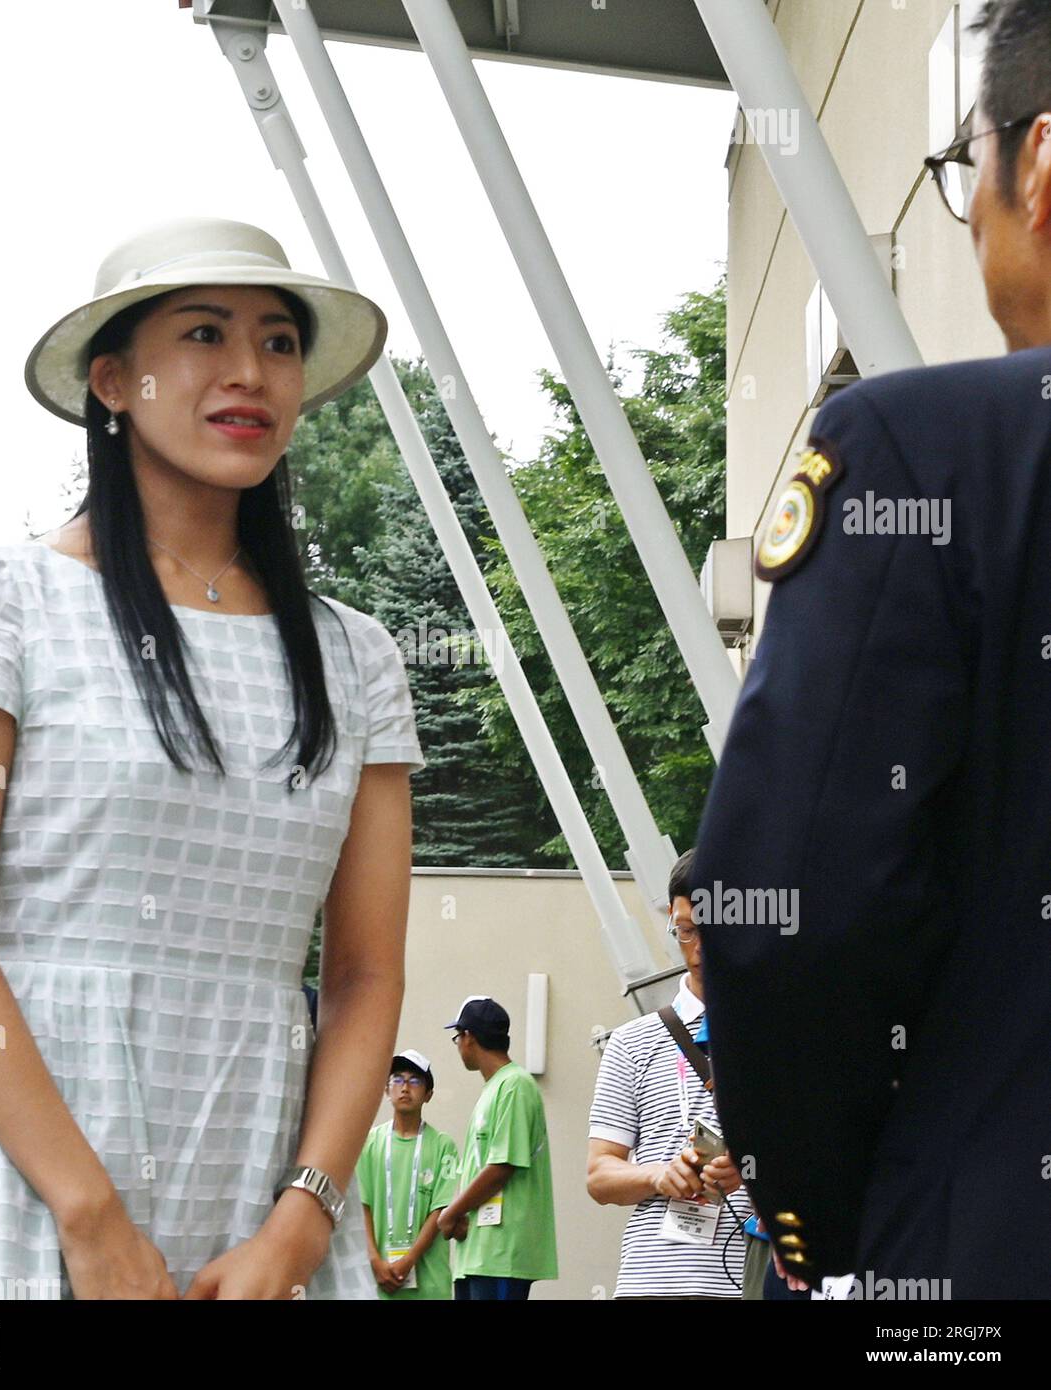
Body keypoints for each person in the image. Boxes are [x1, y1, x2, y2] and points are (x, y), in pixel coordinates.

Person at [0, 216, 426, 1300]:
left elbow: (362, 976)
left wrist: (299, 1226)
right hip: (7, 1182)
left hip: (253, 1187)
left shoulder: (357, 659)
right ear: (112, 380)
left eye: (279, 342)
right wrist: (93, 1217)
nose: (248, 371)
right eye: (203, 334)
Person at [690, 0, 1051, 1298]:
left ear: (1038, 169)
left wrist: (836, 1206)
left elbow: (789, 907)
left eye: (966, 167)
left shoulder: (931, 451)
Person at [586, 849, 751, 1300]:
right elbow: (599, 1176)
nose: (697, 951)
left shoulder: (783, 1039)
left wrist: (752, 1171)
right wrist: (658, 1176)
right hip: (649, 1282)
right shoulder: (631, 1042)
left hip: (746, 1283)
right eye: (686, 931)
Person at [436, 996, 558, 1300]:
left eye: (457, 1037)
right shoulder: (494, 1088)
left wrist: (452, 1213)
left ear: (468, 1037)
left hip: (502, 1253)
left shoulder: (515, 1085)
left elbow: (503, 1166)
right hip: (478, 1251)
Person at [355, 1048, 460, 1300]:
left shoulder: (443, 1145)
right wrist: (373, 1259)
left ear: (428, 1094)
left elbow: (440, 1212)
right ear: (386, 1089)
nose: (405, 1088)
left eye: (415, 1081)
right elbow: (361, 1207)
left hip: (429, 1286)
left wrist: (408, 1259)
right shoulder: (369, 1143)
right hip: (378, 1280)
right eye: (398, 1079)